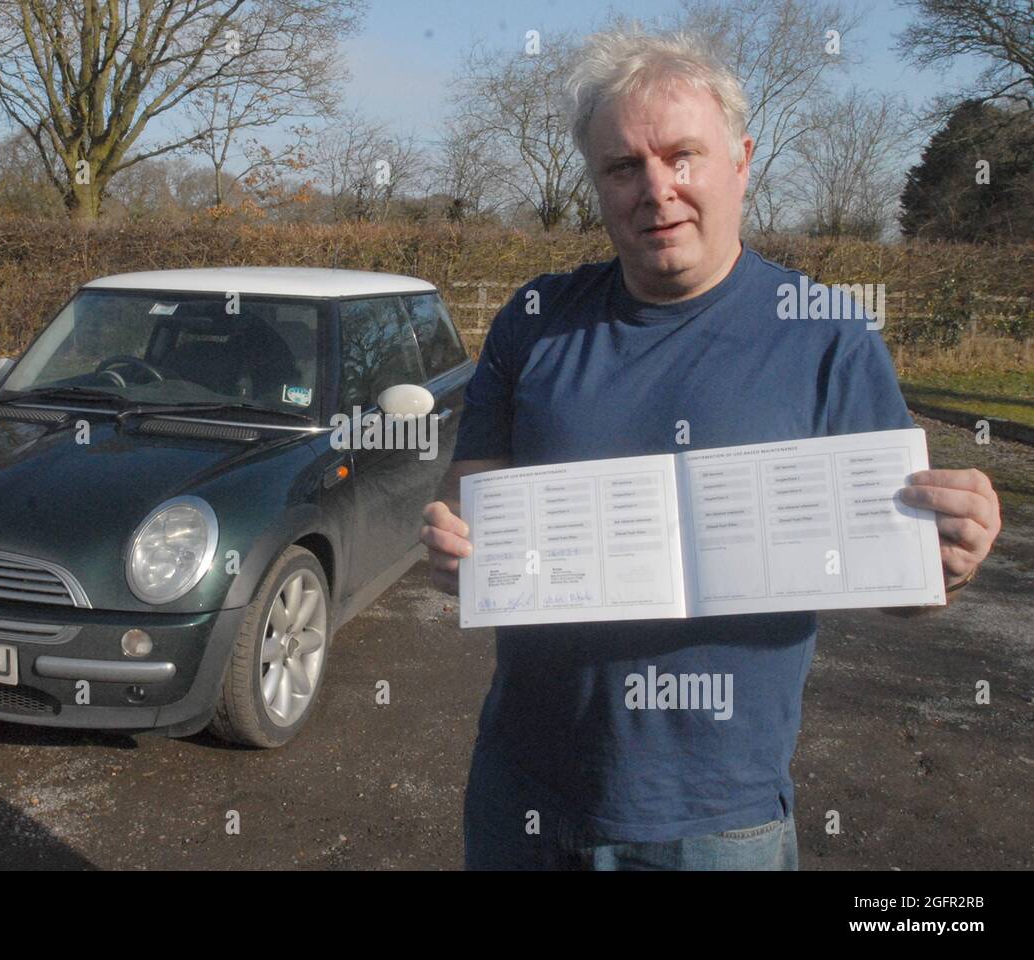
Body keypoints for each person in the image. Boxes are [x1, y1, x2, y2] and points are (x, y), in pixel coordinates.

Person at [419, 28, 1002, 871]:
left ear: (741, 159)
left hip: (717, 822)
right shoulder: (535, 320)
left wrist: (947, 557)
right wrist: (456, 544)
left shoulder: (828, 337)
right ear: (597, 181)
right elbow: (473, 498)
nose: (657, 190)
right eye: (624, 166)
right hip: (525, 794)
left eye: (683, 156)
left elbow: (909, 591)